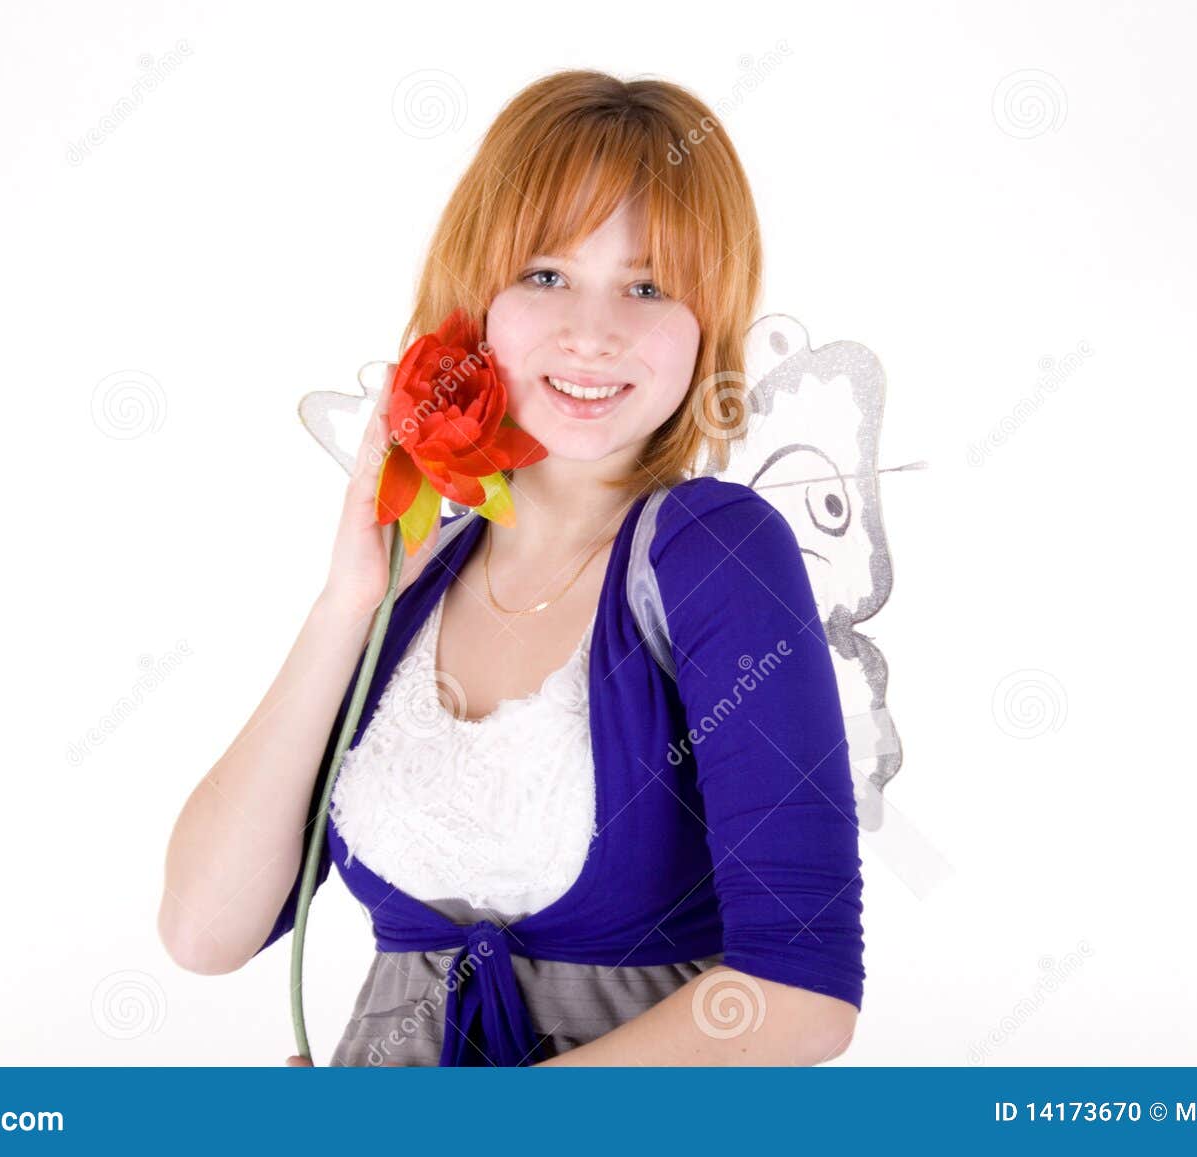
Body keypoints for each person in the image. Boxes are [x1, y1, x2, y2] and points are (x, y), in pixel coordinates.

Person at [159, 68, 865, 1066]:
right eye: (544, 274)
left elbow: (800, 993)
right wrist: (348, 601)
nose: (593, 330)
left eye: (648, 285)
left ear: (706, 324)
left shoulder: (713, 551)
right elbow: (203, 931)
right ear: (470, 307)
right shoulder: (415, 580)